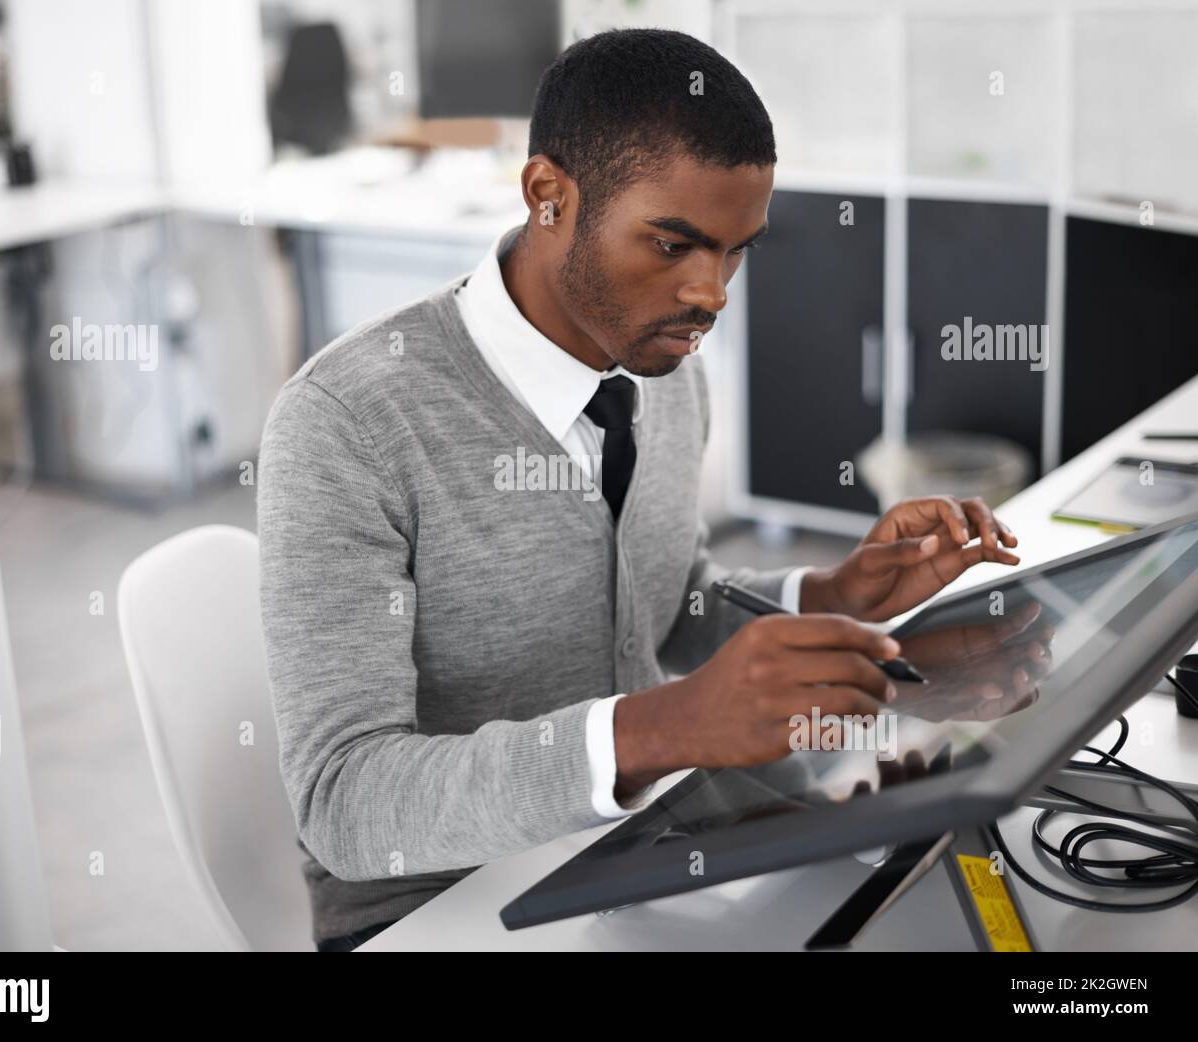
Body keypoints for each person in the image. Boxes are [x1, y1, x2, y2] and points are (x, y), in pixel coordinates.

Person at [257, 28, 1021, 952]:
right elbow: (346, 800)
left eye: (735, 251)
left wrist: (827, 597)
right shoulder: (347, 420)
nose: (711, 294)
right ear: (549, 195)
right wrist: (658, 728)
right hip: (438, 913)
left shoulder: (662, 364)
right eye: (674, 244)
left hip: (637, 848)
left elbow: (663, 603)